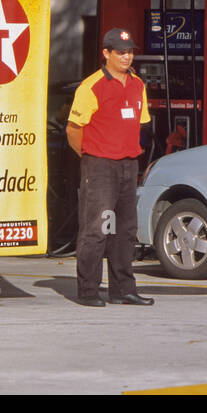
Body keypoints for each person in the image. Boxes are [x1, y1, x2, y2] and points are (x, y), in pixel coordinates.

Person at [66, 27, 155, 307]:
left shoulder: (137, 84)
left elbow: (140, 124)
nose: (126, 57)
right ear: (106, 54)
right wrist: (91, 157)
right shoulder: (91, 86)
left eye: (130, 52)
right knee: (96, 229)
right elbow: (73, 129)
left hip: (128, 165)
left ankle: (123, 289)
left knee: (125, 230)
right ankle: (88, 291)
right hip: (100, 166)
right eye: (121, 52)